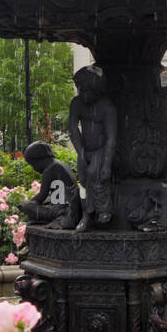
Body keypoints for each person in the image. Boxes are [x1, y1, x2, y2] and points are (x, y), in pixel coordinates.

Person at [68, 65, 116, 231]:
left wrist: (107, 164)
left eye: (86, 90)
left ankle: (104, 211)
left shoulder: (107, 107)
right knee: (82, 179)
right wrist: (80, 152)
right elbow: (73, 129)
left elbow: (111, 137)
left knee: (96, 174)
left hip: (102, 149)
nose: (82, 94)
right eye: (80, 90)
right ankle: (86, 214)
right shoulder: (77, 103)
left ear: (96, 90)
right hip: (84, 149)